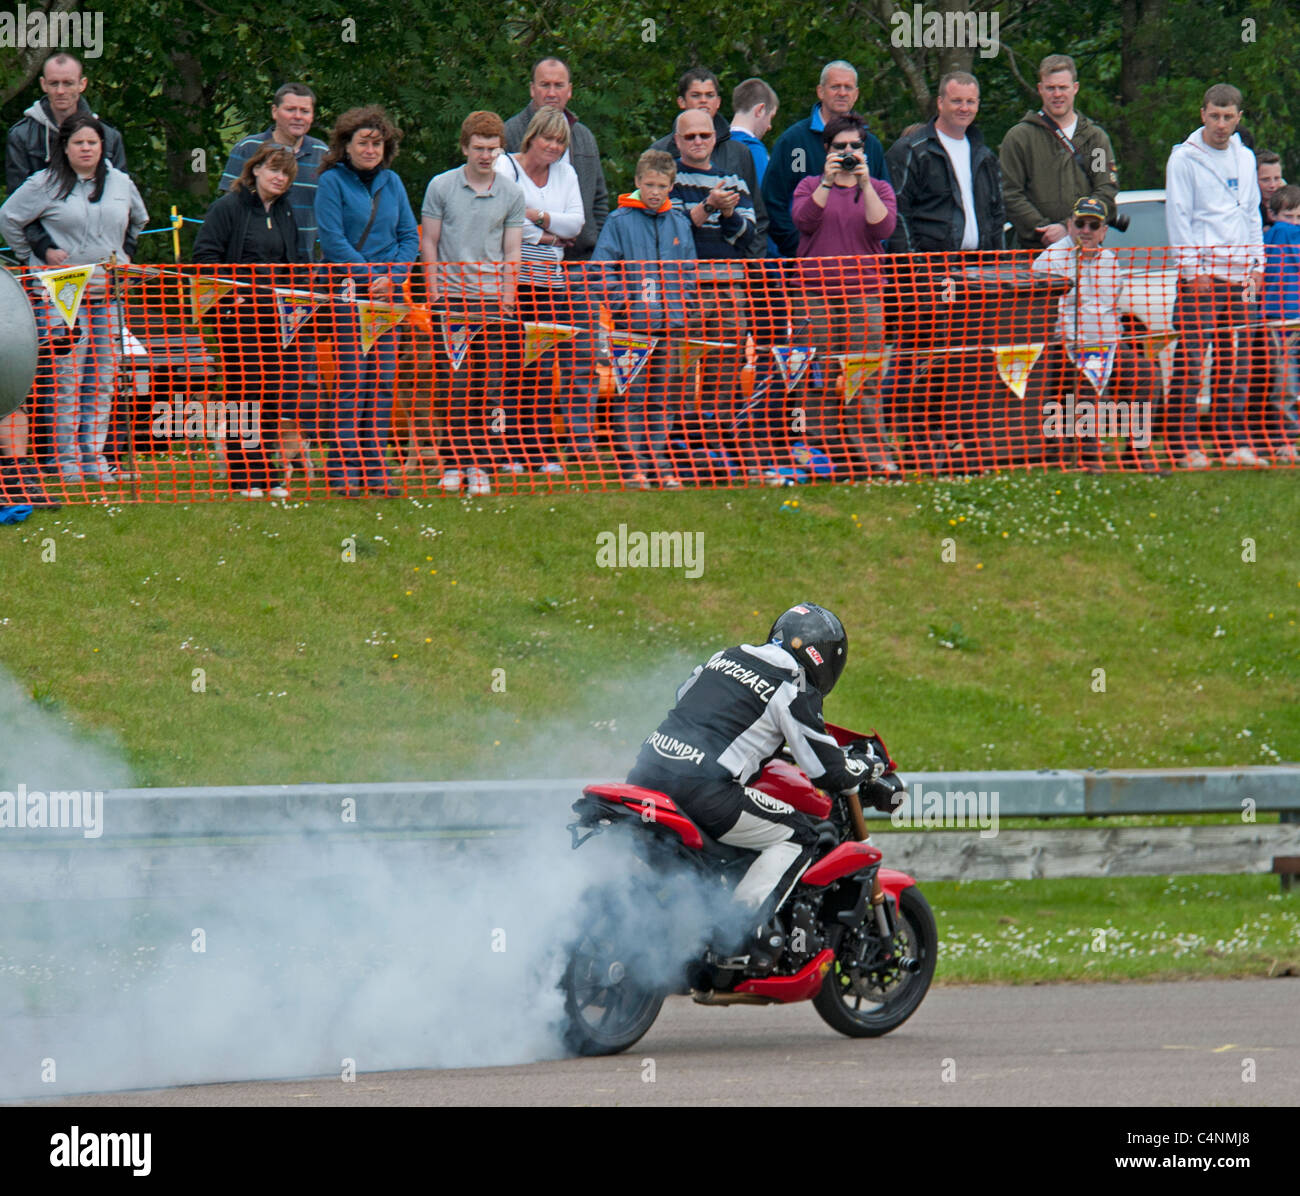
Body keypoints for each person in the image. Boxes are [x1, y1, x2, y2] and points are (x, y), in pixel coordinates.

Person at [626, 603, 900, 957]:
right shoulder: (791, 686)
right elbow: (829, 772)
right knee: (801, 835)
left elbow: (685, 695)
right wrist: (867, 763)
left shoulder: (726, 656)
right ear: (827, 659)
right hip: (700, 789)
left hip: (645, 774)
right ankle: (737, 932)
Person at [1, 114, 146, 486]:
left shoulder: (120, 183)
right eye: (78, 143)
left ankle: (95, 458)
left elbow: (139, 220)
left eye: (92, 143)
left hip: (107, 293)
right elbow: (9, 217)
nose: (86, 149)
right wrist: (38, 253)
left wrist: (124, 255)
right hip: (60, 291)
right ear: (65, 148)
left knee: (104, 377)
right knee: (68, 377)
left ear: (102, 147)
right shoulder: (44, 183)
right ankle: (66, 461)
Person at [315, 106, 418, 497]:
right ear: (346, 145)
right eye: (363, 142)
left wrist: (391, 278)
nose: (371, 149)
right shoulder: (331, 182)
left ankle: (375, 466)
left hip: (387, 296)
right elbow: (333, 239)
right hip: (346, 292)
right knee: (351, 380)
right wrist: (367, 276)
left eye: (377, 143)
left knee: (382, 380)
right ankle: (341, 467)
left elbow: (409, 236)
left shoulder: (392, 182)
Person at [421, 110, 525, 497]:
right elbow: (428, 241)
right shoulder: (441, 186)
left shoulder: (512, 193)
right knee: (454, 384)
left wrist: (508, 298)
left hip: (494, 302)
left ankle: (482, 462)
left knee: (492, 386)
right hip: (451, 299)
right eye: (479, 148)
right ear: (465, 147)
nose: (485, 156)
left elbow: (512, 248)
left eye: (493, 150)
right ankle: (452, 462)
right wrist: (433, 293)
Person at [193, 143, 305, 497]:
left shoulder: (287, 213)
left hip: (278, 320)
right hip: (237, 318)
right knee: (245, 393)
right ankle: (242, 472)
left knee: (271, 394)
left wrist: (299, 296)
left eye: (286, 173)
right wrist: (228, 297)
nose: (279, 177)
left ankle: (265, 468)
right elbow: (205, 255)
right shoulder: (227, 207)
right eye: (273, 169)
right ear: (254, 169)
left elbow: (298, 261)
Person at [1165, 83, 1268, 468]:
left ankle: (1232, 443)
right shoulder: (1184, 159)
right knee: (1193, 361)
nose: (1221, 124)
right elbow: (1179, 217)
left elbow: (1252, 214)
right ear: (1202, 113)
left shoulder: (1244, 157)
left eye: (1228, 117)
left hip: (1240, 278)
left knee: (1234, 361)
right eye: (1214, 116)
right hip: (1202, 278)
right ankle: (1183, 444)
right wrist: (1193, 270)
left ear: (1238, 117)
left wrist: (1258, 265)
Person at [791, 112, 899, 477]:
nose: (849, 151)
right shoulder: (808, 184)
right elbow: (803, 222)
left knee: (864, 376)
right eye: (840, 147)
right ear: (826, 150)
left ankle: (870, 451)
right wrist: (827, 181)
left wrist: (864, 184)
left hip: (864, 293)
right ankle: (819, 449)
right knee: (816, 373)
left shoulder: (880, 188)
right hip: (814, 293)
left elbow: (883, 227)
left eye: (855, 146)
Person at [586, 149, 696, 488]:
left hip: (672, 326)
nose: (654, 192)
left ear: (671, 187)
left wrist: (685, 306)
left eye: (662, 186)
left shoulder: (679, 222)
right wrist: (623, 305)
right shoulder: (620, 221)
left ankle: (659, 461)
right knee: (631, 396)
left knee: (664, 397)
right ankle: (633, 465)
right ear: (637, 183)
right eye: (649, 184)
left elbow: (689, 271)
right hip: (633, 327)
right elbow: (601, 269)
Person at [1032, 196, 1162, 471]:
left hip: (1108, 344)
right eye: (1080, 224)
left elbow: (1112, 311)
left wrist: (1114, 344)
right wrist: (1075, 342)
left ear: (1104, 231)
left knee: (1146, 373)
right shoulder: (1050, 260)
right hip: (1062, 347)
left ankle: (1138, 451)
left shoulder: (1110, 262)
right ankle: (1087, 452)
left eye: (1094, 225)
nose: (1086, 231)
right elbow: (1041, 317)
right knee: (1090, 368)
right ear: (1069, 225)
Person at [494, 105, 584, 475]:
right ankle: (505, 450)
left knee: (545, 368)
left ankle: (540, 449)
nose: (553, 147)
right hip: (514, 281)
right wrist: (550, 234)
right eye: (548, 138)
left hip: (552, 284)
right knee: (511, 367)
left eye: (560, 142)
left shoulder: (566, 173)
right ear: (532, 136)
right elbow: (507, 220)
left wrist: (538, 216)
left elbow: (576, 224)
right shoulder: (505, 167)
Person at [762, 61, 890, 258]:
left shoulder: (871, 145)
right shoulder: (794, 141)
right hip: (808, 265)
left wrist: (876, 248)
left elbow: (886, 204)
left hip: (863, 264)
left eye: (848, 87)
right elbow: (772, 200)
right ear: (820, 91)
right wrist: (797, 248)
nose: (842, 93)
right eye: (835, 86)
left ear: (856, 94)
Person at [999, 53, 1119, 250]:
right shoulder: (1019, 138)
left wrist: (1070, 227)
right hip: (1035, 252)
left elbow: (1105, 189)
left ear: (1075, 88)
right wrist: (1043, 228)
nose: (1057, 95)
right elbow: (1010, 193)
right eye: (1050, 88)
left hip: (1086, 250)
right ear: (1040, 89)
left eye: (1063, 87)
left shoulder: (1095, 139)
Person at [648, 68, 769, 255]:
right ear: (681, 101)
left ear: (719, 102)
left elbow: (757, 221)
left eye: (710, 95)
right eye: (696, 95)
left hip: (731, 273)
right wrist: (709, 205)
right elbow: (657, 225)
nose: (703, 101)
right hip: (677, 271)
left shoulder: (739, 153)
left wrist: (752, 268)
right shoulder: (659, 152)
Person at [886, 71, 1003, 253]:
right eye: (956, 101)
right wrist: (915, 269)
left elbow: (997, 214)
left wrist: (999, 265)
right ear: (940, 103)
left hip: (981, 268)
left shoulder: (985, 156)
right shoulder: (911, 151)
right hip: (932, 270)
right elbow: (898, 212)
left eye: (970, 102)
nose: (964, 108)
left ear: (978, 105)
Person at [1262, 184, 1300, 462]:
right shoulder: (1274, 236)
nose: (1294, 225)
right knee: (1284, 383)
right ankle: (1284, 441)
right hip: (1280, 321)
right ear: (1273, 215)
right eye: (1289, 216)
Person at [1256, 150, 1284, 230]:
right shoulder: (1246, 208)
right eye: (1265, 180)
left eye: (1277, 178)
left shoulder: (1292, 204)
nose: (1272, 185)